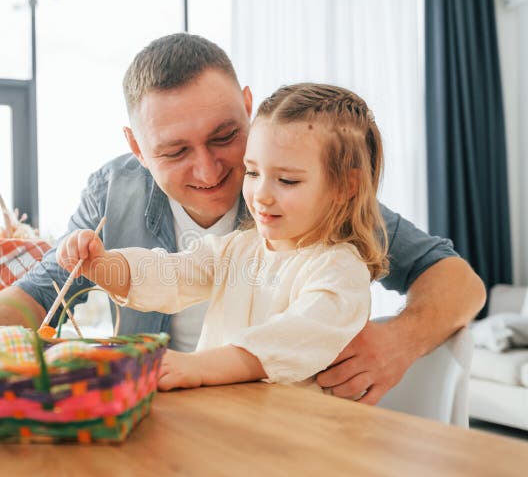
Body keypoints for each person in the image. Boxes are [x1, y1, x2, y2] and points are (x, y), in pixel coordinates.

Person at [0, 33, 486, 404]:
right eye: (175, 152)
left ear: (250, 108)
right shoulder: (118, 191)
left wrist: (399, 341)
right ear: (136, 146)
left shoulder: (314, 199)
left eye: (227, 137)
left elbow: (458, 280)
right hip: (178, 410)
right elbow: (62, 289)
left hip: (280, 420)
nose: (211, 171)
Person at [56, 83, 386, 392]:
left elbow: (287, 338)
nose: (261, 195)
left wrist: (197, 366)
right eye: (253, 173)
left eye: (286, 180)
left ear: (346, 186)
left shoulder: (341, 273)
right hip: (228, 426)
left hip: (296, 440)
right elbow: (172, 274)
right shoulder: (238, 248)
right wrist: (103, 265)